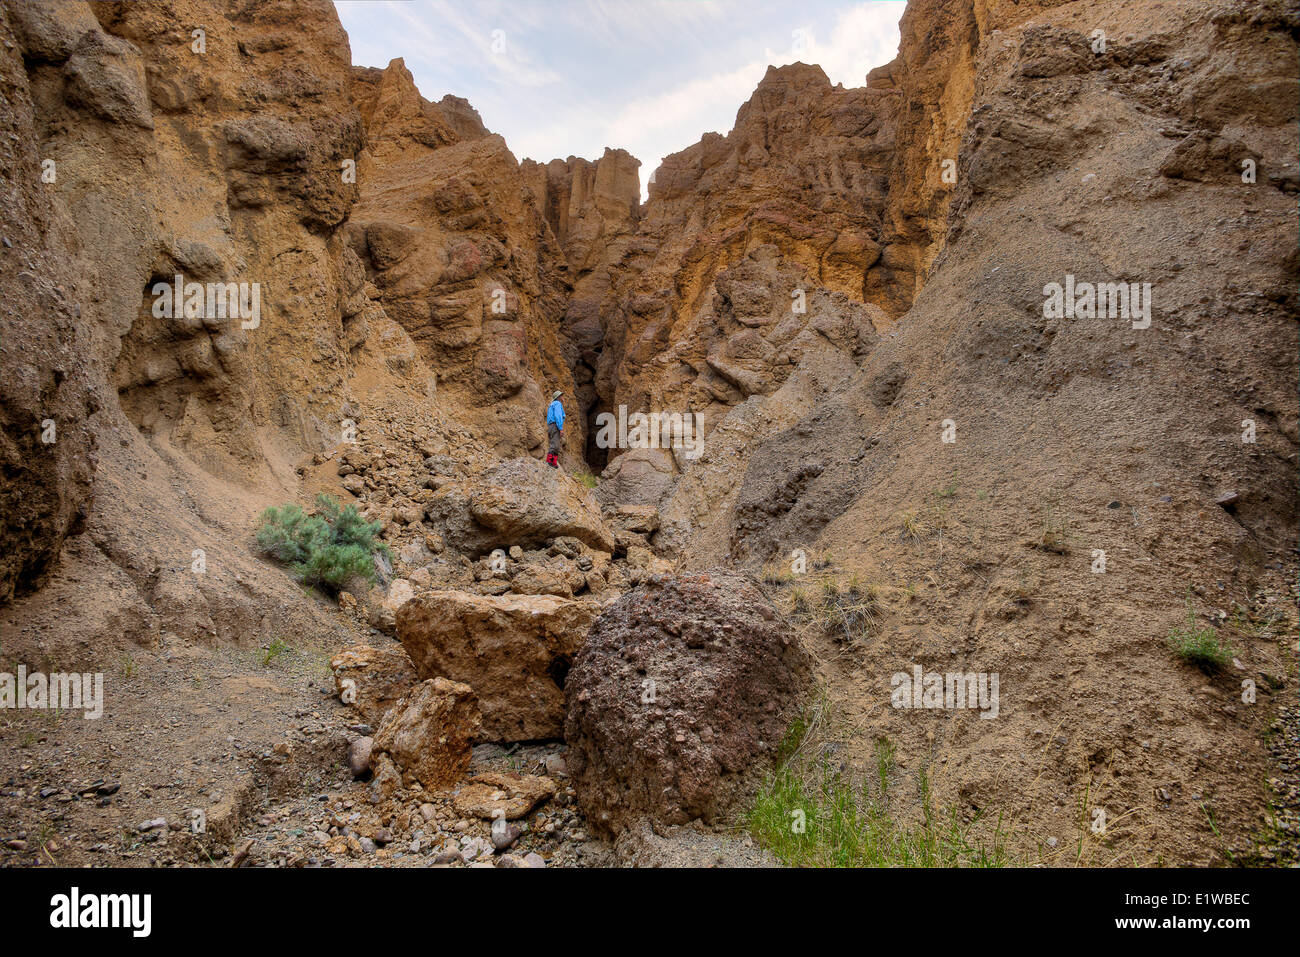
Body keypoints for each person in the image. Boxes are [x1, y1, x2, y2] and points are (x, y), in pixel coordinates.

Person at [545, 389, 564, 468]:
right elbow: (558, 416)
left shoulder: (552, 404)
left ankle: (554, 462)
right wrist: (560, 428)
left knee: (555, 443)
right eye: (561, 396)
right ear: (558, 397)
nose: (563, 397)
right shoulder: (557, 404)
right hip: (555, 425)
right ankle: (550, 462)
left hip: (551, 426)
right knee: (555, 444)